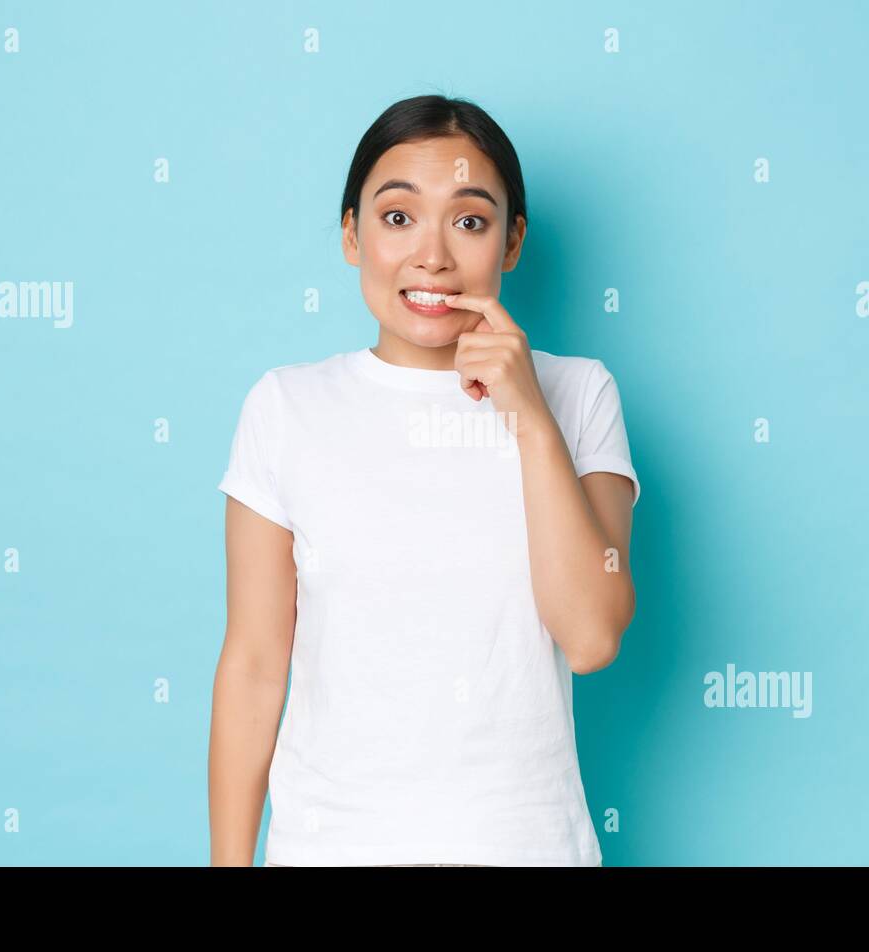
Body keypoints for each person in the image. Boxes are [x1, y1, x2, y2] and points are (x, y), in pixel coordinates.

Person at [208, 94, 640, 867]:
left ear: (511, 242)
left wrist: (529, 419)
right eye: (398, 217)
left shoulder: (579, 394)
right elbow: (253, 664)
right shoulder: (287, 406)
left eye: (469, 221)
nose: (432, 256)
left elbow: (592, 636)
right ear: (351, 235)